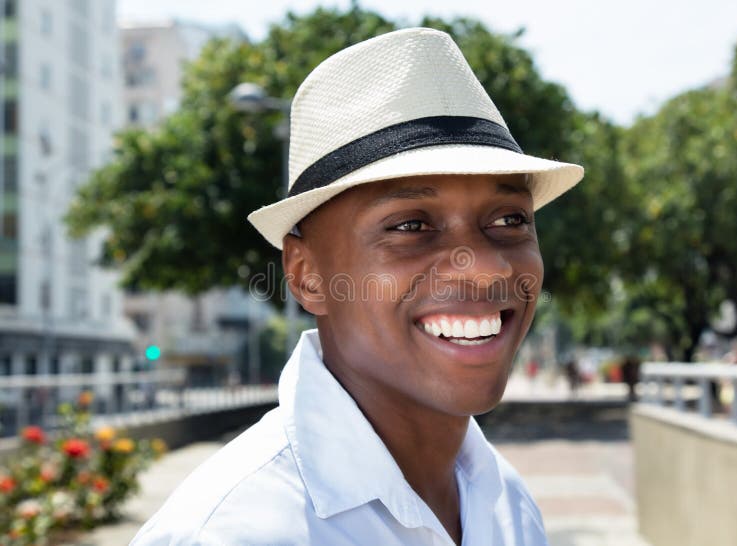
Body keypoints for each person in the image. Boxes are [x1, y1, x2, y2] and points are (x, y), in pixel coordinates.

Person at [131, 27, 583, 546]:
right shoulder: (232, 533)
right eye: (411, 226)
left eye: (509, 219)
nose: (485, 267)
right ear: (306, 276)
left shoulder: (506, 501)